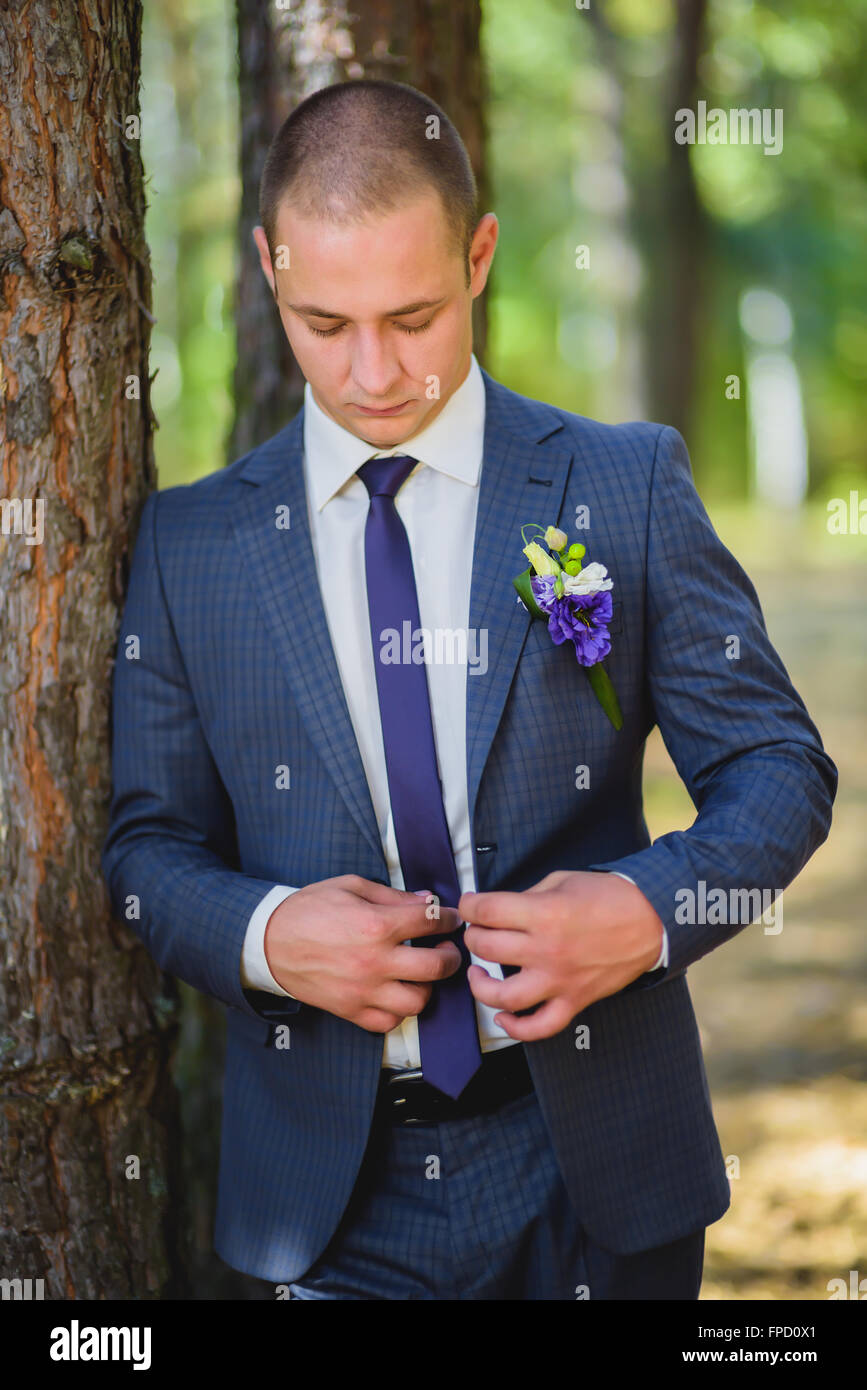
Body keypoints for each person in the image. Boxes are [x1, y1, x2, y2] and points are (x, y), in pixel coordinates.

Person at [102, 78, 836, 1301]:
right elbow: (145, 850)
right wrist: (269, 936)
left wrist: (645, 909)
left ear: (480, 256)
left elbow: (779, 767)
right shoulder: (191, 547)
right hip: (326, 1201)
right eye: (324, 323)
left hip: (602, 1170)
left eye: (414, 317)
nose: (373, 372)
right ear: (269, 269)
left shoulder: (626, 484)